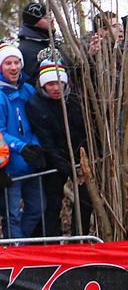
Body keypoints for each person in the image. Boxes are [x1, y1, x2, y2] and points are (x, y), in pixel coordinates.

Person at [25, 55, 90, 236]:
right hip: (52, 160)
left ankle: (80, 239)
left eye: (58, 83)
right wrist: (64, 166)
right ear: (43, 84)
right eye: (50, 83)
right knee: (52, 204)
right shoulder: (35, 104)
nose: (55, 88)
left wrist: (84, 159)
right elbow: (45, 139)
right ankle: (53, 242)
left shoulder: (74, 100)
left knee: (85, 201)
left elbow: (84, 130)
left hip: (78, 156)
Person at [0, 42, 45, 238]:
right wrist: (20, 146)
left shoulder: (28, 90)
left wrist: (35, 146)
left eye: (17, 62)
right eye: (8, 63)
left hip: (31, 162)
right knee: (12, 215)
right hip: (9, 166)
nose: (13, 67)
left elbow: (38, 122)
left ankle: (22, 246)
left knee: (38, 208)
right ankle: (15, 252)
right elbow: (0, 131)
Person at [17, 2, 55, 84]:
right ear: (35, 23)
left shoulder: (51, 44)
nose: (52, 19)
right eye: (46, 18)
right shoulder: (27, 50)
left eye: (50, 15)